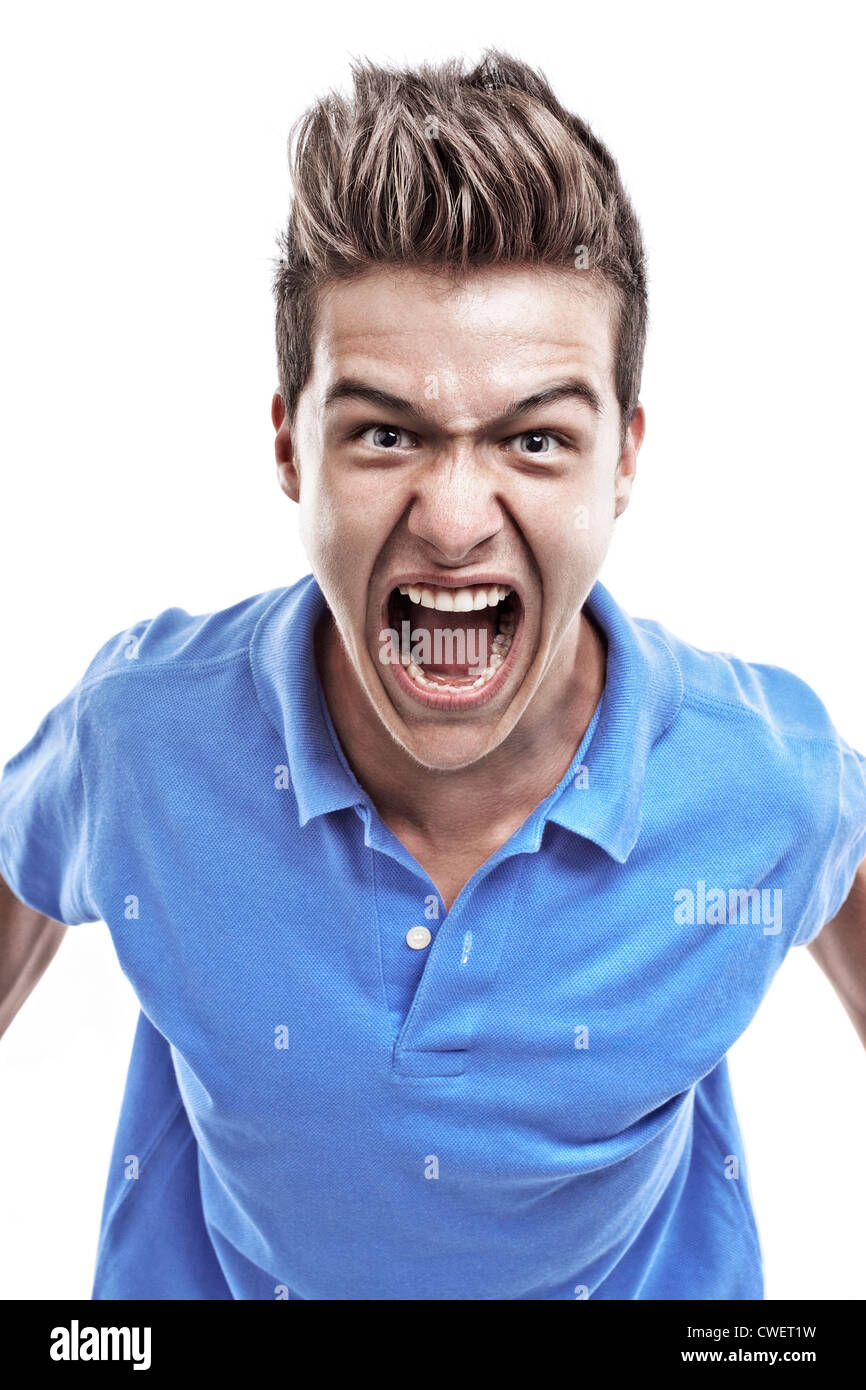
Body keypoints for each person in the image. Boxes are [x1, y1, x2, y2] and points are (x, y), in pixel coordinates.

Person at [1, 50, 865, 1302]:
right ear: (288, 444)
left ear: (621, 457)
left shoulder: (757, 777)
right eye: (385, 433)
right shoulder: (139, 741)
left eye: (533, 438)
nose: (455, 518)